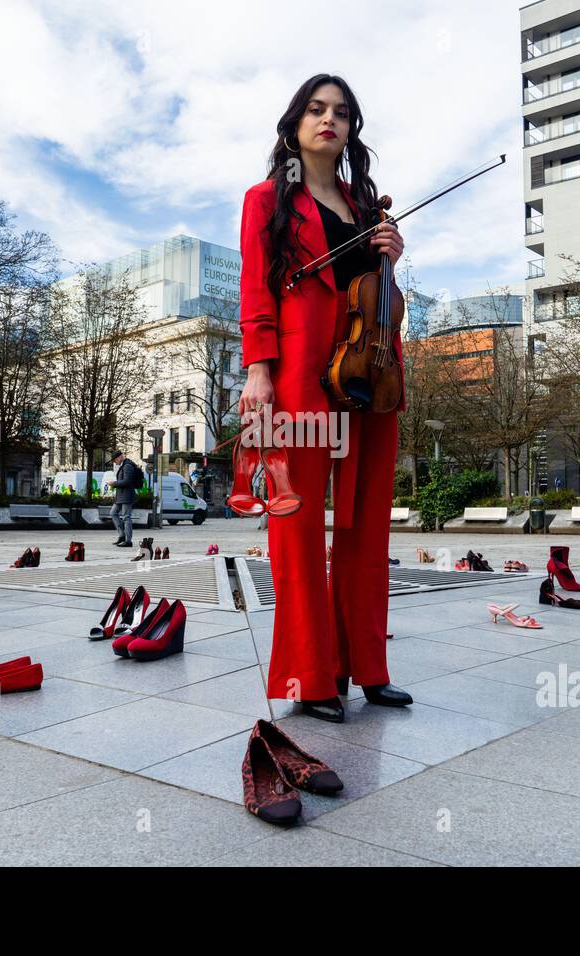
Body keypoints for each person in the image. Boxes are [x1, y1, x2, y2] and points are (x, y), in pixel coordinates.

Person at [237, 73, 411, 724]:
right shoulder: (264, 202)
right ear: (295, 124)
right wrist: (259, 372)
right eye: (316, 109)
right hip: (301, 375)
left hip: (369, 371)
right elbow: (257, 290)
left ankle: (366, 668)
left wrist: (391, 257)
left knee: (367, 526)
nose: (328, 119)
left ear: (351, 128)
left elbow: (387, 308)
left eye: (340, 111)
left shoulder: (367, 210)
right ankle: (312, 676)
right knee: (299, 527)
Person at [109, 450, 137, 548]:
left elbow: (127, 481)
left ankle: (128, 541)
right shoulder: (123, 465)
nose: (114, 462)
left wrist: (114, 483)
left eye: (115, 459)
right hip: (121, 496)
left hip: (127, 495)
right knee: (113, 513)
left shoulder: (127, 466)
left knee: (126, 517)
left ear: (120, 457)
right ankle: (122, 535)